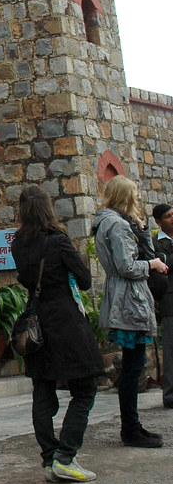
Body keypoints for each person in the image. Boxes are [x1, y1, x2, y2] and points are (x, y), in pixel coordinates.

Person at [11, 185, 103, 483]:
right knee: (85, 388)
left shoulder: (18, 243)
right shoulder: (57, 241)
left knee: (43, 391)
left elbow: (26, 280)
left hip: (37, 321)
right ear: (48, 208)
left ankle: (50, 459)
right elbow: (86, 280)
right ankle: (66, 456)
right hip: (65, 320)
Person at [91, 176, 168, 448]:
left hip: (122, 294)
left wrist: (141, 230)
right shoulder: (117, 225)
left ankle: (132, 425)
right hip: (129, 296)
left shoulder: (108, 222)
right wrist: (154, 265)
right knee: (133, 366)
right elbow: (127, 266)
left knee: (133, 365)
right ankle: (130, 427)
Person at [152, 203, 173, 409]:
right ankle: (170, 395)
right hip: (169, 299)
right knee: (171, 347)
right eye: (168, 216)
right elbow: (161, 265)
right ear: (158, 222)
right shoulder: (155, 244)